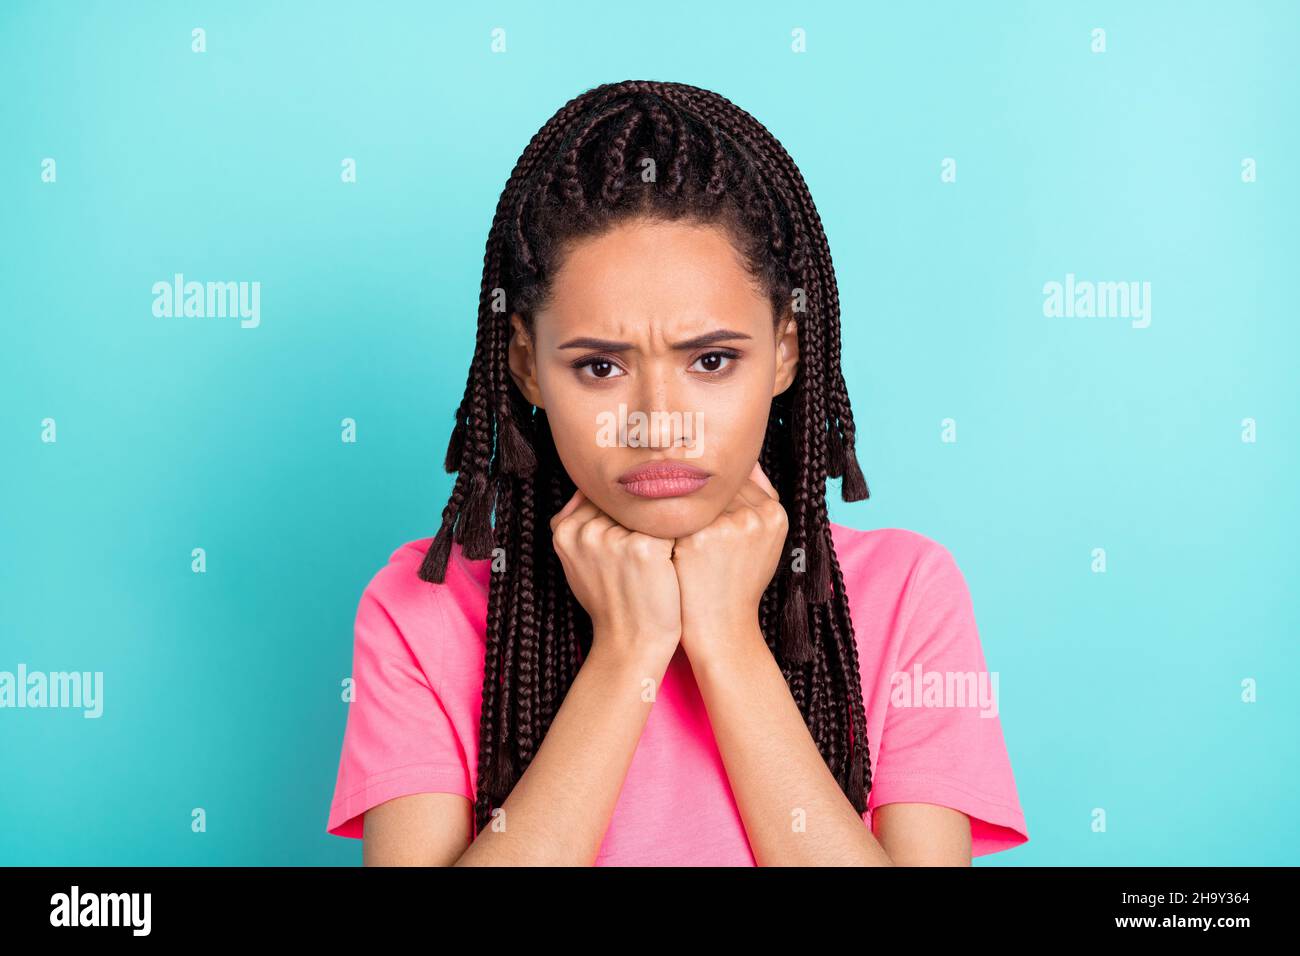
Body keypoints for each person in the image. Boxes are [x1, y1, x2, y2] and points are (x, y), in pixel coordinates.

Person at [326, 79, 1028, 866]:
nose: (659, 424)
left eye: (712, 360)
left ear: (785, 352)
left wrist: (729, 642)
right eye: (599, 367)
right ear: (525, 366)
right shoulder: (420, 613)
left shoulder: (907, 595)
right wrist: (627, 650)